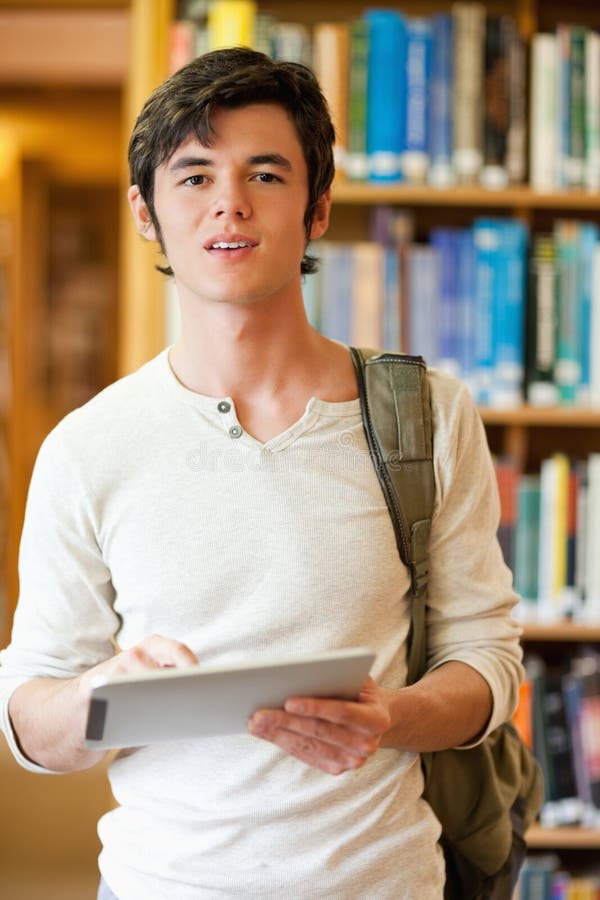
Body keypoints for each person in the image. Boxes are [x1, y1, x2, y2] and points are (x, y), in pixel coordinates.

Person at [0, 47, 523, 900]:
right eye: (195, 176)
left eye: (265, 175)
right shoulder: (86, 447)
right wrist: (99, 694)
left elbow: (487, 662)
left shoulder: (427, 414)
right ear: (146, 212)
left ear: (317, 209)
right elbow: (27, 716)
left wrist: (391, 719)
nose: (229, 204)